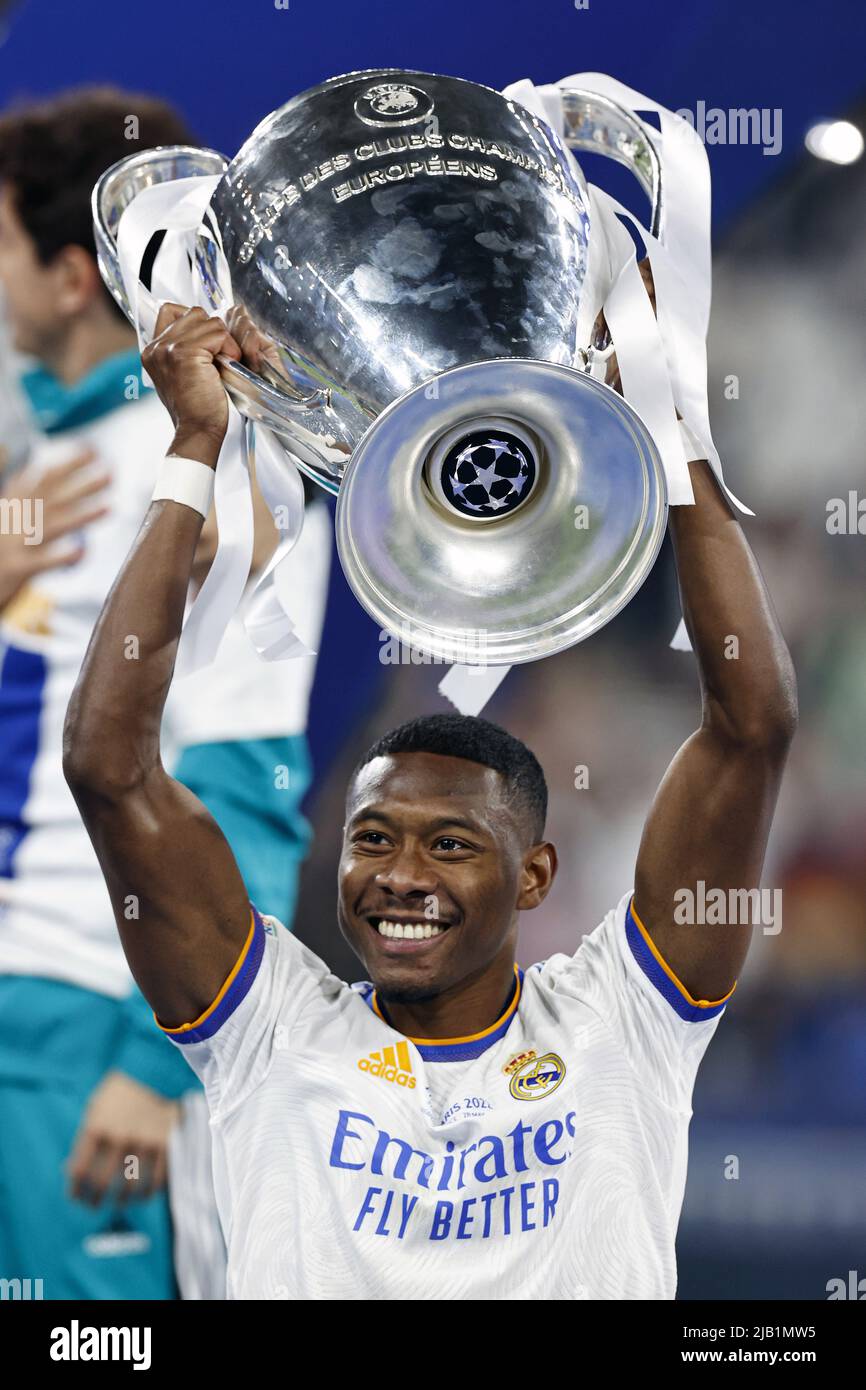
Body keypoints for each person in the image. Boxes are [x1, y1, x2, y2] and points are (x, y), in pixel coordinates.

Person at [63, 294, 797, 1300]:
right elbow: (110, 770)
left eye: (451, 845)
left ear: (534, 873)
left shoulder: (620, 1018)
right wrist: (195, 448)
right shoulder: (269, 1026)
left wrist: (669, 437)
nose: (399, 875)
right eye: (373, 838)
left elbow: (749, 727)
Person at [0, 87, 330, 1299]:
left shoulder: (227, 467)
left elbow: (246, 786)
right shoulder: (41, 466)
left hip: (98, 1018)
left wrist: (160, 1057)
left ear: (75, 274)